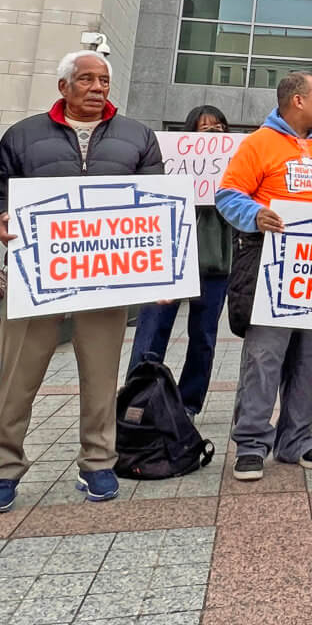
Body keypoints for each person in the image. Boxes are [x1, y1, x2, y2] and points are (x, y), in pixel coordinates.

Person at [0, 51, 164, 514]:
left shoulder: (138, 136)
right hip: (35, 271)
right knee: (18, 375)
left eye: (104, 80)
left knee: (100, 375)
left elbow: (154, 206)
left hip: (109, 277)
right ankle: (4, 468)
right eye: (86, 80)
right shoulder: (24, 134)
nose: (97, 88)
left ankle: (98, 461)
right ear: (64, 87)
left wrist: (159, 269)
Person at [217, 72, 312, 481]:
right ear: (297, 101)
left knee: (310, 362)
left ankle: (296, 441)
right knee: (264, 359)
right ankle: (252, 443)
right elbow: (228, 195)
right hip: (271, 272)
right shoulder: (258, 143)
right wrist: (255, 215)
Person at [126, 105, 236, 416]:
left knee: (203, 338)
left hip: (215, 263)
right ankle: (138, 399)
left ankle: (188, 404)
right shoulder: (168, 164)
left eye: (220, 128)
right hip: (169, 261)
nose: (214, 134)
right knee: (151, 332)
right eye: (206, 129)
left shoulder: (233, 166)